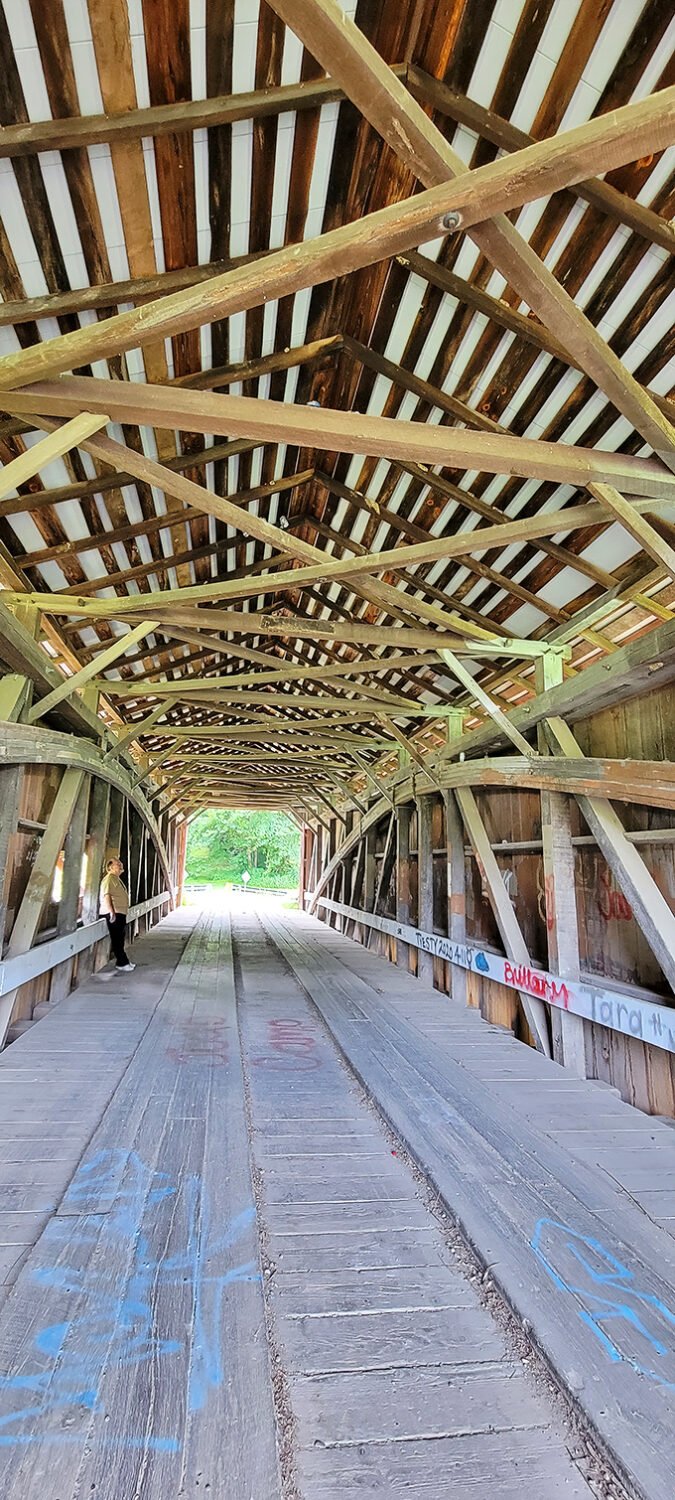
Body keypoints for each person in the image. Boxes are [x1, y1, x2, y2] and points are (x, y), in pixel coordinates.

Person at [99, 856, 135, 973]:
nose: (120, 864)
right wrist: (111, 912)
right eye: (117, 863)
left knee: (120, 937)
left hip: (119, 912)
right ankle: (122, 962)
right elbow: (107, 896)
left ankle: (123, 961)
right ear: (110, 867)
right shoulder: (109, 879)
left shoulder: (115, 879)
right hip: (114, 913)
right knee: (117, 939)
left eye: (120, 862)